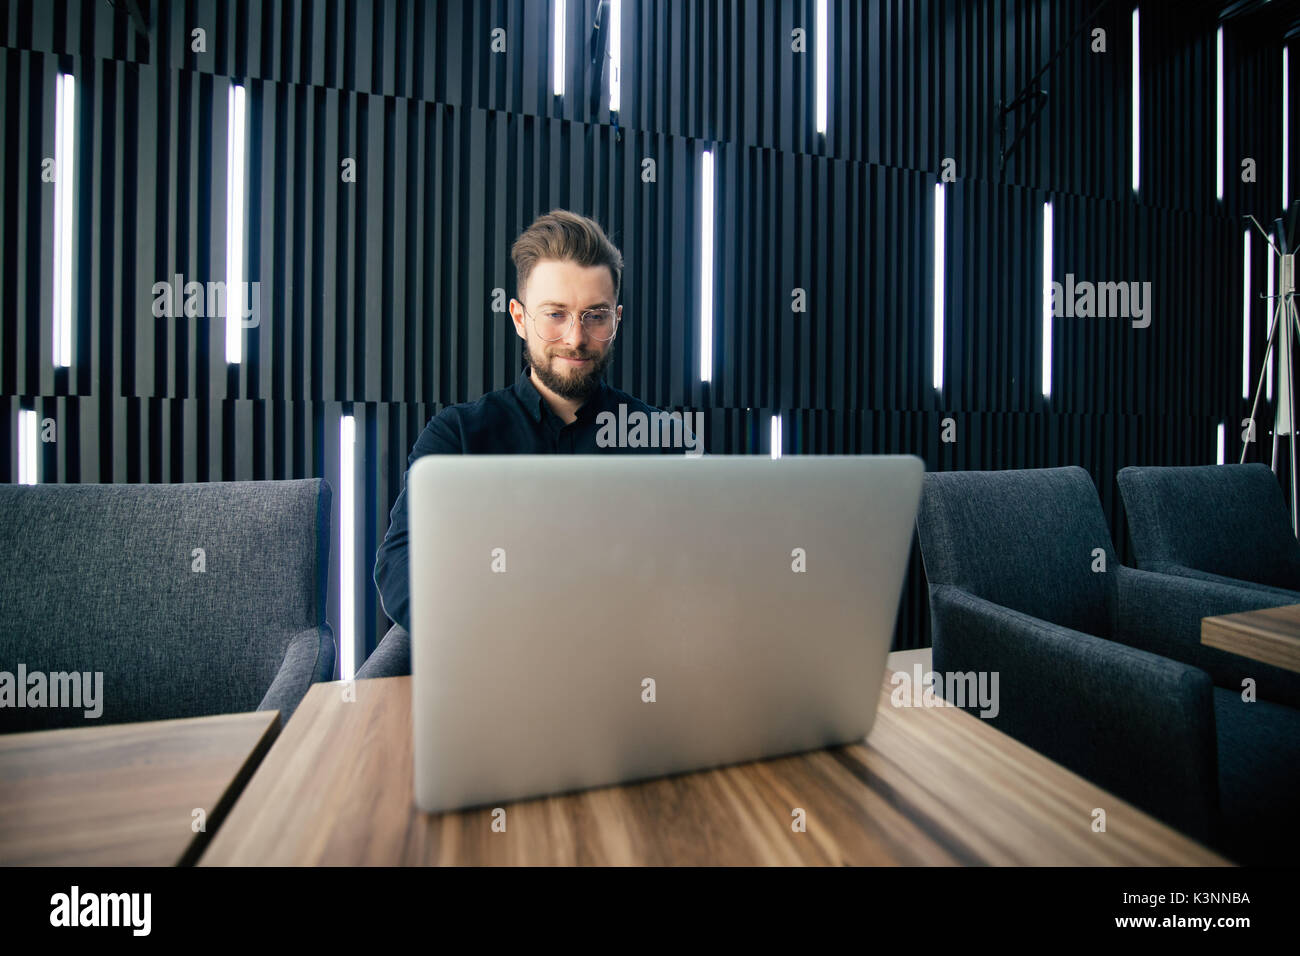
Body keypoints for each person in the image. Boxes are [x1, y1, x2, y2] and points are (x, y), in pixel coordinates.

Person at [364, 210, 689, 677]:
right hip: (493, 667)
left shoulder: (662, 440)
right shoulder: (457, 436)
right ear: (519, 318)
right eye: (555, 315)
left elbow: (696, 571)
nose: (575, 338)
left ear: (616, 319)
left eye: (594, 316)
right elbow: (400, 564)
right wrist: (495, 635)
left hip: (630, 670)